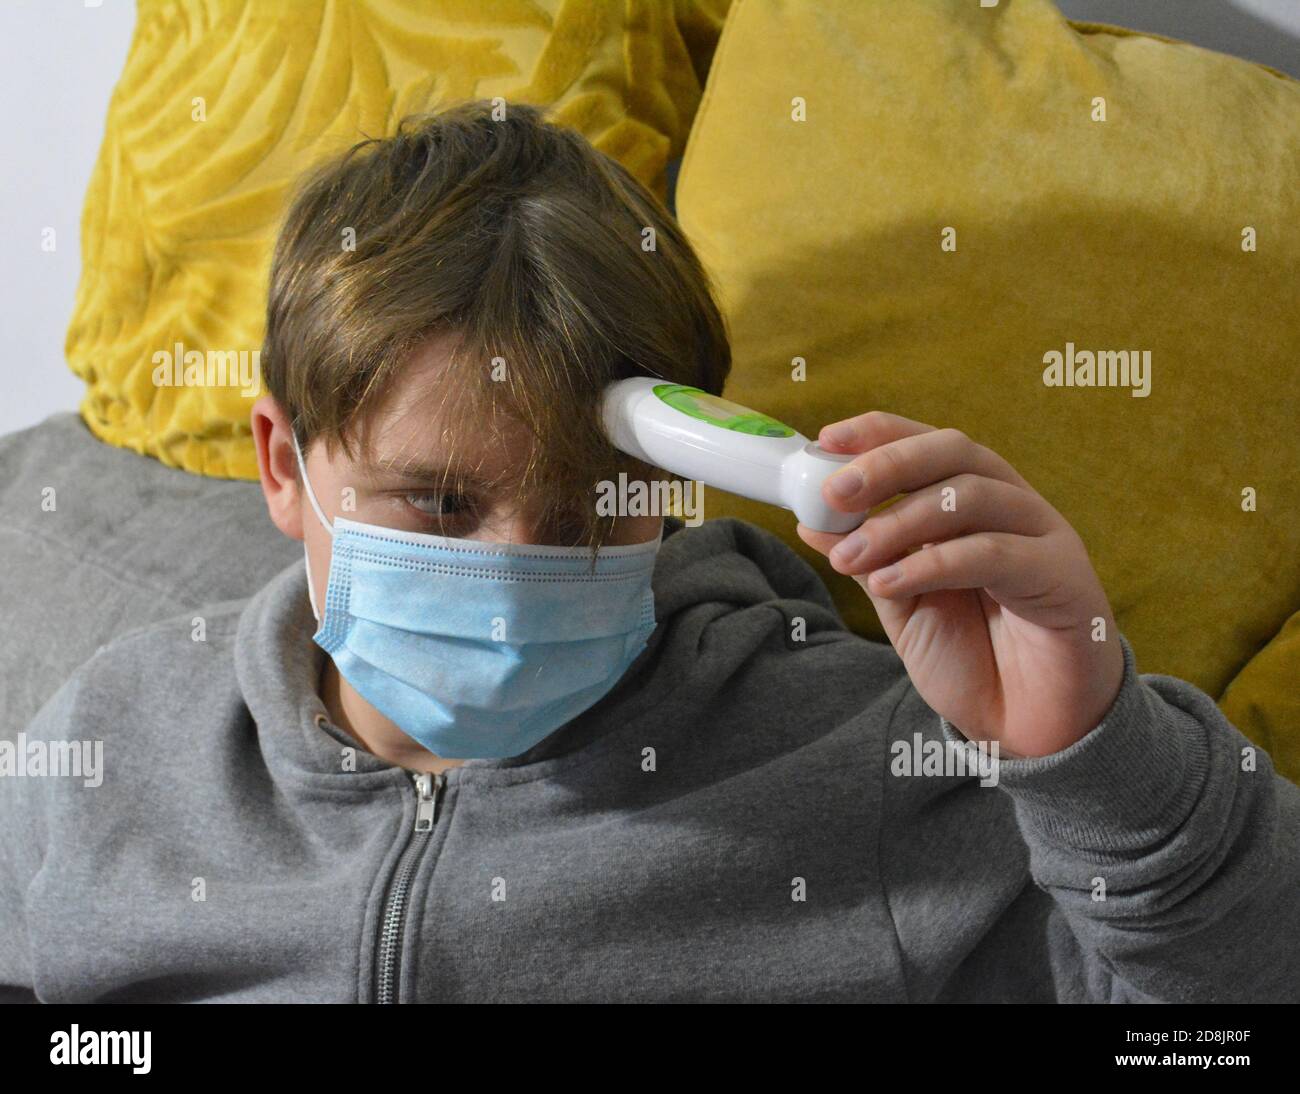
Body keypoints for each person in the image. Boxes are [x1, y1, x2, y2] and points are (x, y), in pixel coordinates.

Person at [1, 100, 1296, 1003]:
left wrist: (1094, 749)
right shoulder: (115, 746)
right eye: (439, 506)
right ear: (282, 466)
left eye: (586, 513)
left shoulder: (857, 767)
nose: (514, 582)